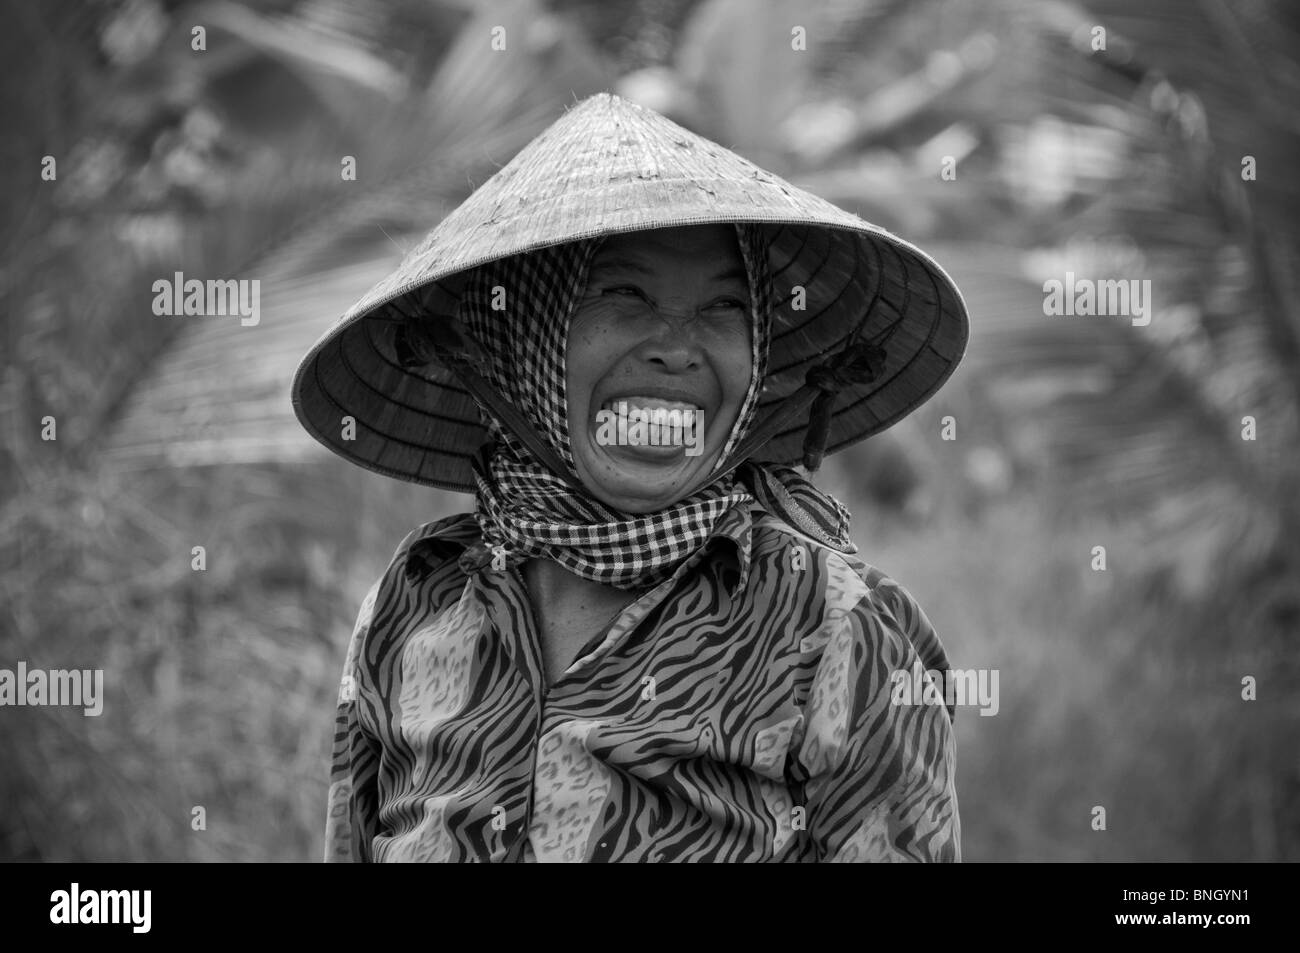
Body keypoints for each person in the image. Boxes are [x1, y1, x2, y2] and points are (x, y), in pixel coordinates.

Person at [292, 93, 969, 862]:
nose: (676, 347)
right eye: (623, 294)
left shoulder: (837, 627)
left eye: (724, 305)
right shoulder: (417, 597)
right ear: (520, 339)